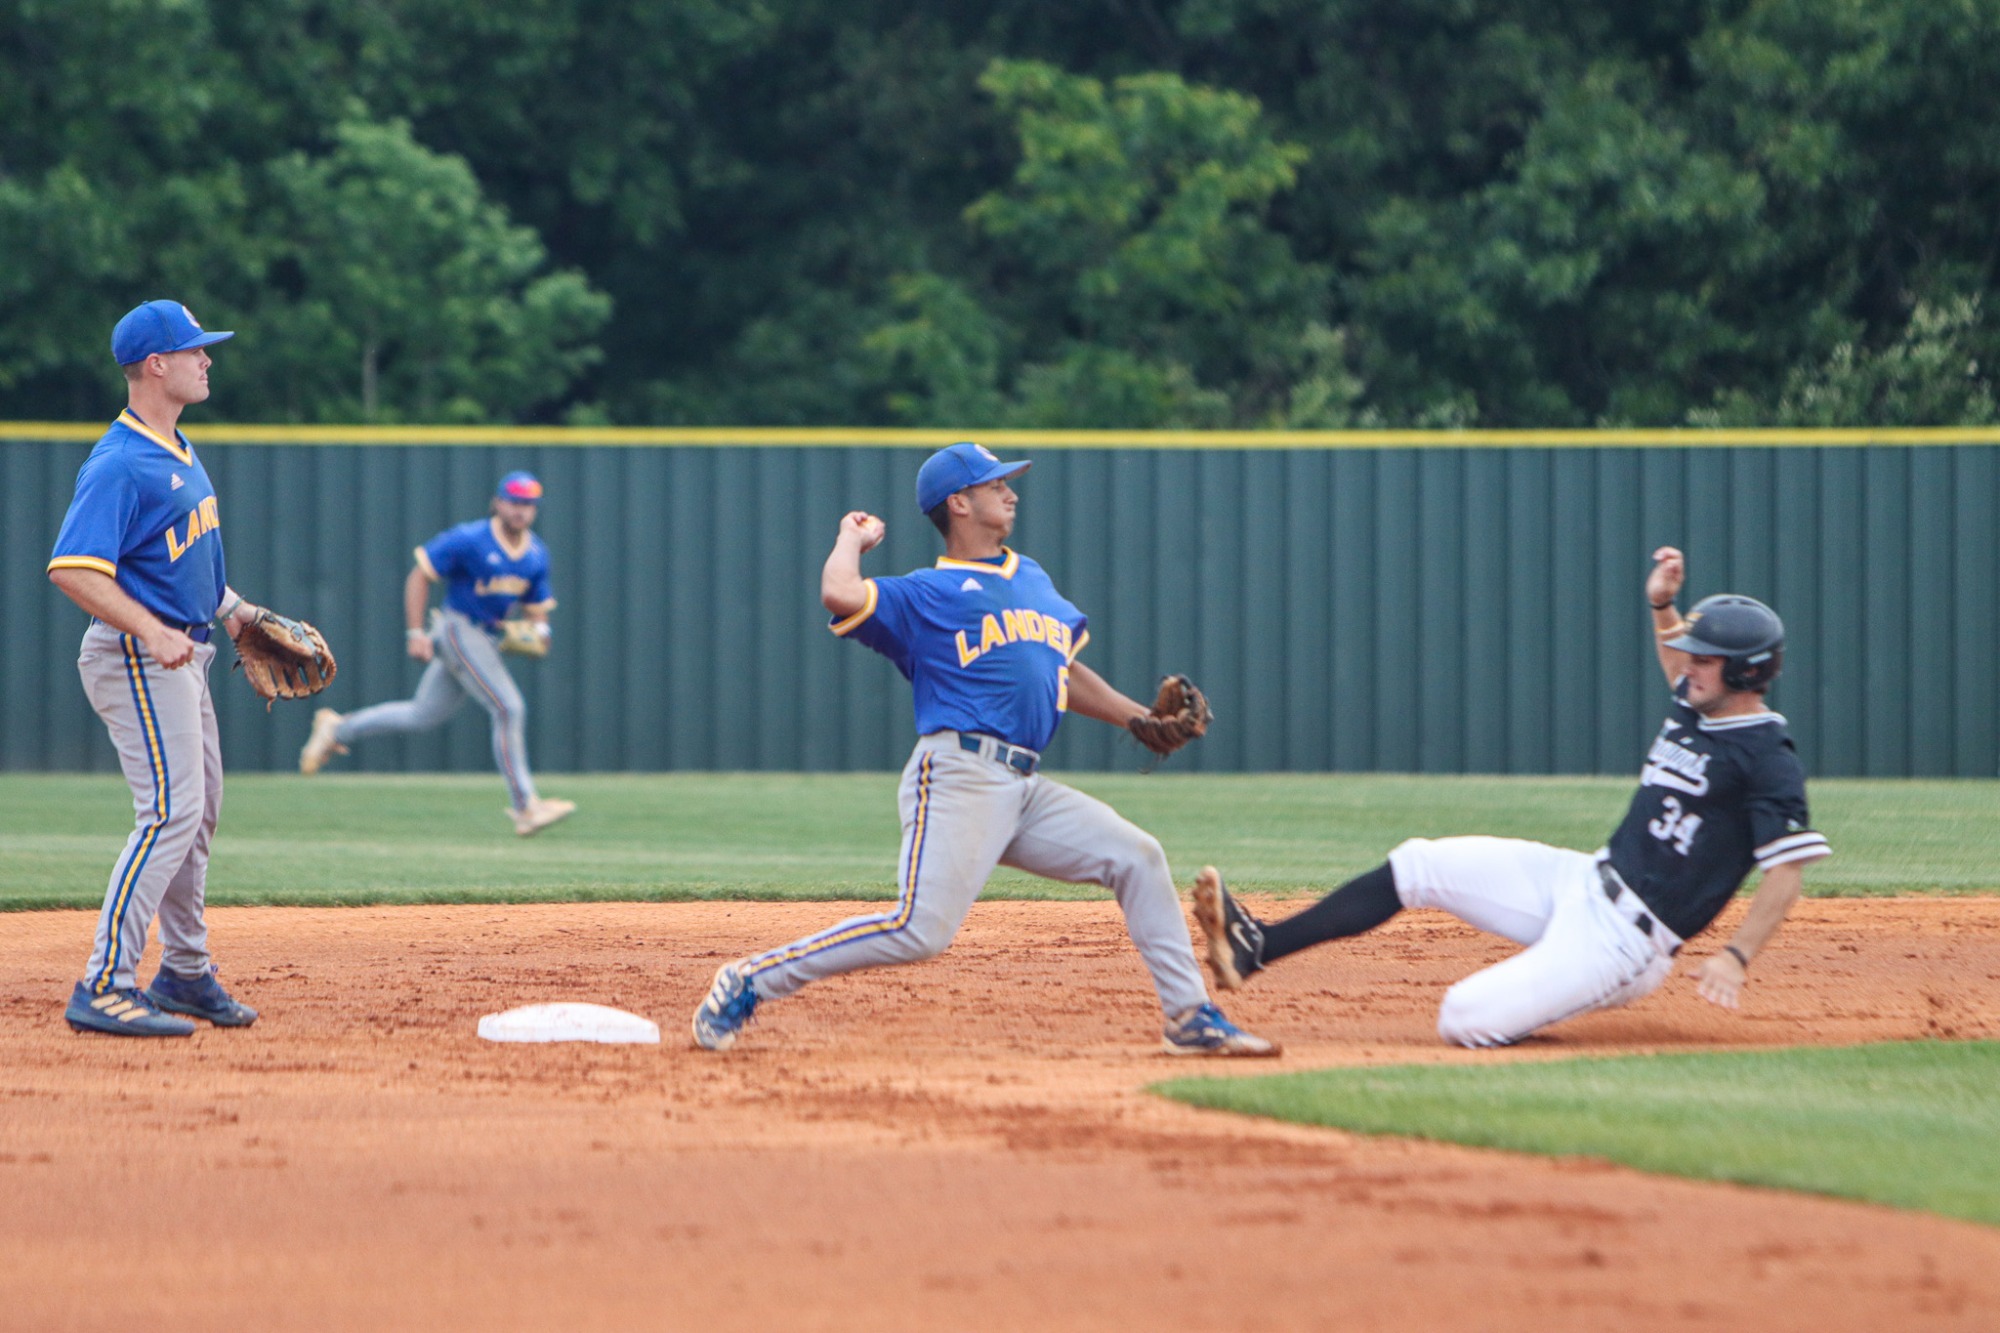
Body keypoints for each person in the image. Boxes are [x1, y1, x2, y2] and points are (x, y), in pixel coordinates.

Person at [691, 441, 1277, 1056]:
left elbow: (1060, 670)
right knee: (919, 930)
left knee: (1139, 857)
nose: (1010, 493)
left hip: (1024, 787)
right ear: (959, 503)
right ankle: (750, 979)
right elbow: (840, 594)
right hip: (959, 775)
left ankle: (1189, 1017)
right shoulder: (926, 594)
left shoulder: (1031, 577)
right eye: (995, 484)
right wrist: (849, 538)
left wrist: (1138, 718)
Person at [1193, 546, 1831, 1048]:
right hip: (1582, 879)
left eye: (1706, 659)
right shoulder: (1697, 703)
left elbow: (1786, 872)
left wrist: (1736, 956)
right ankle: (1259, 948)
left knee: (1462, 1018)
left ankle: (1553, 997)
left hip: (1627, 943)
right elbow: (1674, 666)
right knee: (1417, 864)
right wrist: (1663, 605)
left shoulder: (1767, 758)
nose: (1689, 666)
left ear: (1746, 671)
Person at [47, 299, 270, 1036]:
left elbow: (174, 561)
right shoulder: (119, 462)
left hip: (184, 651)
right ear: (155, 364)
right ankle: (104, 983)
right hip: (137, 655)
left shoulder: (174, 444)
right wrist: (149, 628)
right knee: (169, 813)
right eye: (194, 349)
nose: (207, 359)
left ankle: (184, 971)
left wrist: (234, 610)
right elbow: (73, 568)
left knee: (197, 814)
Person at [298, 472, 575, 837]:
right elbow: (420, 574)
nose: (521, 510)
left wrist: (541, 633)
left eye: (528, 504)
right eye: (514, 502)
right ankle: (526, 806)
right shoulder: (470, 539)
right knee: (509, 708)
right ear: (498, 503)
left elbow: (537, 611)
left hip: (487, 637)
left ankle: (337, 729)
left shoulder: (536, 554)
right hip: (458, 628)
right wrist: (416, 633)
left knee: (422, 714)